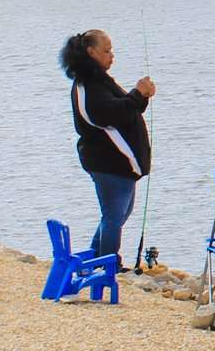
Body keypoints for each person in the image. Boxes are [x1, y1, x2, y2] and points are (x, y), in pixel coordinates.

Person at [58, 29, 155, 262]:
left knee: (119, 214)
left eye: (112, 50)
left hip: (118, 163)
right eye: (107, 51)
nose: (112, 56)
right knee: (113, 216)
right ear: (91, 53)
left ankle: (96, 258)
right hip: (109, 163)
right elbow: (109, 113)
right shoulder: (88, 86)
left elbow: (124, 107)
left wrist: (141, 96)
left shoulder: (98, 80)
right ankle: (109, 264)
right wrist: (138, 94)